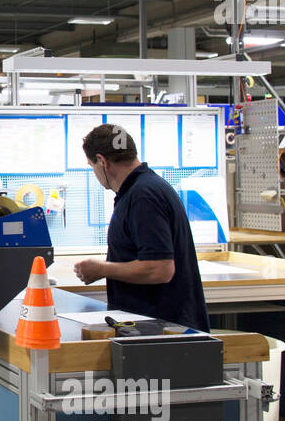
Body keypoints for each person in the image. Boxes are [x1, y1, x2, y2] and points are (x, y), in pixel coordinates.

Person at [72, 123, 209, 332]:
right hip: (154, 328)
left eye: (91, 166)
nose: (94, 173)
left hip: (164, 335)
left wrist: (101, 269)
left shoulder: (143, 196)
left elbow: (160, 269)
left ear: (102, 161)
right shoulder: (141, 189)